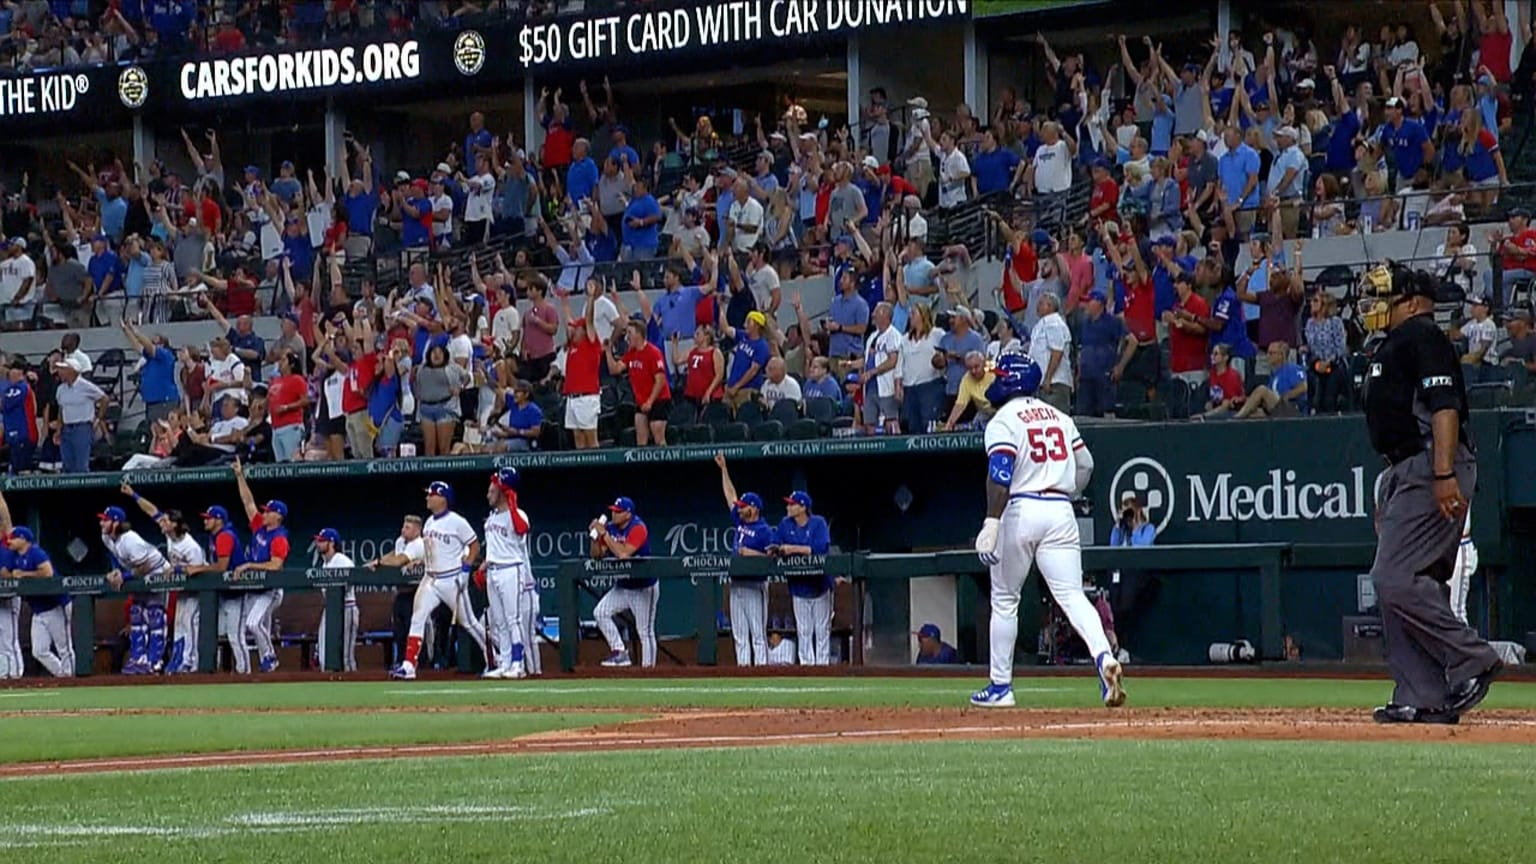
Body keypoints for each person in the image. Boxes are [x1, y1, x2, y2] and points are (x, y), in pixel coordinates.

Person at [1360, 264, 1502, 724]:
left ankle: (1472, 656)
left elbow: (1445, 409)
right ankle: (1423, 694)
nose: (1377, 307)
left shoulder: (1423, 336)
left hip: (1431, 463)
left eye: (1388, 298)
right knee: (1410, 581)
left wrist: (1443, 475)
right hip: (1407, 467)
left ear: (1415, 301)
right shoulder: (1392, 344)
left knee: (1392, 577)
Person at [970, 354, 1125, 709]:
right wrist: (1066, 491)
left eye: (999, 375)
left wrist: (991, 521)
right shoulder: (1060, 417)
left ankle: (1000, 687)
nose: (993, 381)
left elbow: (1001, 474)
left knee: (1006, 600)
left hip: (1020, 508)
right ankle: (1103, 657)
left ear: (1011, 381)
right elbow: (1085, 464)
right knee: (1073, 595)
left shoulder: (1002, 420)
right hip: (1060, 509)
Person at [392, 481, 486, 680]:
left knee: (469, 623)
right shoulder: (429, 522)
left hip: (451, 579)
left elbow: (475, 546)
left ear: (442, 498)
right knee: (417, 618)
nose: (427, 497)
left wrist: (466, 570)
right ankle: (409, 665)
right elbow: (430, 551)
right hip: (431, 579)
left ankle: (494, 658)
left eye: (431, 494)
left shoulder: (457, 521)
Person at [122, 483, 204, 674]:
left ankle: (192, 665)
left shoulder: (190, 546)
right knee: (180, 624)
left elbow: (199, 571)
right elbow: (152, 510)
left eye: (166, 521)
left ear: (174, 524)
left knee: (189, 624)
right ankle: (180, 661)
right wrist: (133, 494)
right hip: (182, 589)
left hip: (197, 590)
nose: (162, 523)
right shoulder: (170, 536)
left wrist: (177, 569)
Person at [228, 458, 289, 673]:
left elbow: (275, 565)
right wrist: (239, 475)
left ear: (278, 516)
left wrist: (249, 566)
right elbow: (248, 503)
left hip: (270, 589)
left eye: (268, 511)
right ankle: (268, 666)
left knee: (253, 625)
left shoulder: (279, 537)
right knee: (259, 627)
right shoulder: (260, 528)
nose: (263, 514)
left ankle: (271, 656)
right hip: (256, 588)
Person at [715, 453, 774, 667]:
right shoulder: (739, 519)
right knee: (739, 635)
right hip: (736, 584)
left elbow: (772, 559)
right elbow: (730, 494)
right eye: (740, 506)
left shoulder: (765, 530)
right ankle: (743, 673)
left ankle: (761, 674)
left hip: (755, 585)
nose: (739, 508)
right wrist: (724, 469)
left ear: (754, 508)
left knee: (757, 634)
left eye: (744, 506)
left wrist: (752, 555)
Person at [98, 504, 173, 674]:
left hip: (158, 573)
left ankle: (155, 662)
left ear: (116, 523)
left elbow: (145, 565)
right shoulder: (107, 537)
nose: (102, 523)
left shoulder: (130, 539)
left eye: (105, 520)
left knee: (155, 615)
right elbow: (116, 557)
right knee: (136, 614)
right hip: (137, 574)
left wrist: (124, 577)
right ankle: (138, 658)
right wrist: (116, 571)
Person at [589, 496, 657, 668]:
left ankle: (649, 671)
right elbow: (596, 555)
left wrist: (605, 535)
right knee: (600, 612)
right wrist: (595, 537)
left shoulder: (638, 527)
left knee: (645, 632)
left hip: (643, 586)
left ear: (628, 514)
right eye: (613, 510)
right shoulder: (611, 528)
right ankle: (619, 651)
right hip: (623, 586)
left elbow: (624, 554)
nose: (613, 513)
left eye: (618, 511)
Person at [184, 504, 249, 674]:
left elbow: (222, 567)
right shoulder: (215, 536)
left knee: (235, 635)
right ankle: (210, 670)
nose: (205, 521)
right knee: (211, 630)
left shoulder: (225, 536)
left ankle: (245, 673)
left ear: (219, 520)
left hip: (236, 591)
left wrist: (198, 568)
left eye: (209, 518)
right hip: (222, 592)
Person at [772, 490, 833, 666]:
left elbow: (820, 548)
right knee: (804, 631)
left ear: (803, 507)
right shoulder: (785, 524)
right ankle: (807, 666)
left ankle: (823, 667)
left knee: (822, 631)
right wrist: (777, 549)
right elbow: (776, 545)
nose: (788, 507)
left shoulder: (818, 523)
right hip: (798, 586)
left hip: (820, 585)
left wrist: (793, 549)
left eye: (792, 504)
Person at [482, 468, 532, 680]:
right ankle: (504, 663)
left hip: (511, 569)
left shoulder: (518, 514)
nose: (488, 494)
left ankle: (518, 663)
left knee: (513, 619)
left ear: (502, 490)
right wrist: (484, 567)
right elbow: (494, 547)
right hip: (493, 570)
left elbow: (522, 530)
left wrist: (511, 504)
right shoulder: (492, 517)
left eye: (492, 490)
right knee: (499, 621)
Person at [7, 526, 71, 677]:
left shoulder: (36, 552)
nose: (10, 542)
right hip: (38, 609)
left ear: (23, 539)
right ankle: (63, 675)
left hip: (56, 604)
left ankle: (72, 678)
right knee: (39, 650)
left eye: (13, 538)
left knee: (64, 647)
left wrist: (24, 574)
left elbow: (47, 572)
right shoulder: (16, 557)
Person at [312, 528, 358, 674]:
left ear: (331, 542)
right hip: (330, 610)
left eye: (321, 541)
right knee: (324, 651)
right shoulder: (325, 563)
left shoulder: (342, 560)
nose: (318, 543)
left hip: (347, 608)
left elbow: (351, 583)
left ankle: (353, 687)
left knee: (346, 656)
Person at [1235, 341, 1309, 418]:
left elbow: (1303, 388)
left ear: (1281, 355)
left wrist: (1285, 396)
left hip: (1294, 410)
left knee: (1262, 390)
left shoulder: (1294, 369)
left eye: (1271, 353)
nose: (1268, 356)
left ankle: (1236, 420)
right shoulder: (1274, 375)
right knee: (1252, 413)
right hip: (1278, 409)